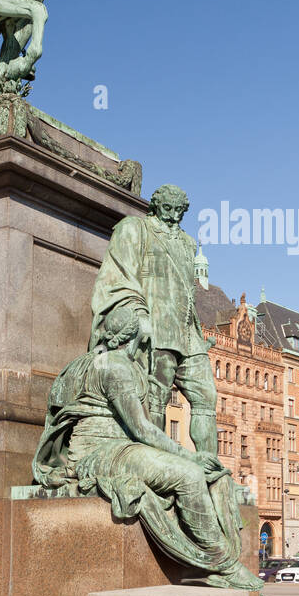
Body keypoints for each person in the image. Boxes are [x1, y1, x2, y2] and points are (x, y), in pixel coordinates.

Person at [33, 307, 259, 589]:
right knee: (188, 474)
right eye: (144, 335)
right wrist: (190, 456)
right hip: (100, 452)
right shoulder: (114, 366)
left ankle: (212, 554)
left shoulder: (95, 363)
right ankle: (222, 563)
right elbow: (141, 428)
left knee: (205, 473)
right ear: (135, 336)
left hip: (117, 448)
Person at [89, 184, 218, 455]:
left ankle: (210, 469)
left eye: (179, 212)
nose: (172, 217)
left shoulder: (187, 242)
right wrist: (138, 316)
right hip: (157, 327)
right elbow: (118, 277)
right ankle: (156, 460)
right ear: (156, 206)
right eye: (167, 209)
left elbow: (187, 292)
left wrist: (196, 329)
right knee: (156, 398)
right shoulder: (136, 229)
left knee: (206, 395)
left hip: (187, 333)